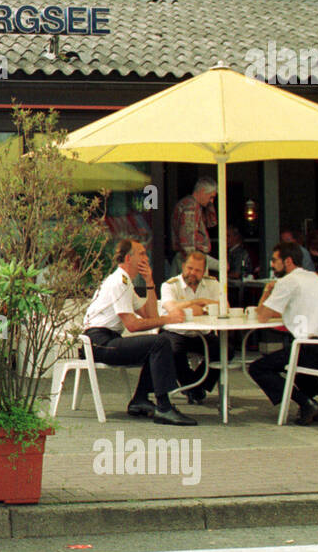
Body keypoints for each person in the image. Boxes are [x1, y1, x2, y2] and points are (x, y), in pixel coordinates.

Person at [84, 238, 197, 426]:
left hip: (109, 338)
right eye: (142, 254)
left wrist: (150, 282)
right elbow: (133, 325)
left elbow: (149, 314)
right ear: (129, 258)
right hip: (98, 342)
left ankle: (141, 400)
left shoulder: (127, 282)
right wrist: (168, 319)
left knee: (158, 343)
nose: (146, 257)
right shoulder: (118, 282)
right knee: (159, 342)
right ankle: (164, 407)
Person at [248, 241, 318, 426]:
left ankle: (306, 403)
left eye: (275, 260)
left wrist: (267, 291)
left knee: (258, 368)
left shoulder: (288, 281)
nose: (271, 265)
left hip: (316, 350)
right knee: (293, 360)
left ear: (288, 261)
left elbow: (262, 316)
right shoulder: (312, 277)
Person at [158, 249, 222, 403]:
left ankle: (196, 386)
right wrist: (198, 302)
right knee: (172, 351)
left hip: (202, 333)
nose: (192, 273)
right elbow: (172, 308)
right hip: (175, 332)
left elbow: (223, 306)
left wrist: (198, 307)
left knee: (226, 351)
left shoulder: (213, 284)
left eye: (198, 270)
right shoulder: (170, 285)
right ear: (183, 266)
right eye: (190, 268)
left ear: (204, 271)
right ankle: (193, 387)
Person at [170, 177, 219, 274]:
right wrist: (194, 264)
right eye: (211, 197)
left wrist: (209, 206)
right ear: (202, 191)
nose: (211, 201)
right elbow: (187, 237)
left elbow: (211, 223)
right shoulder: (191, 207)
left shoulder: (187, 203)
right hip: (192, 257)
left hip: (186, 256)